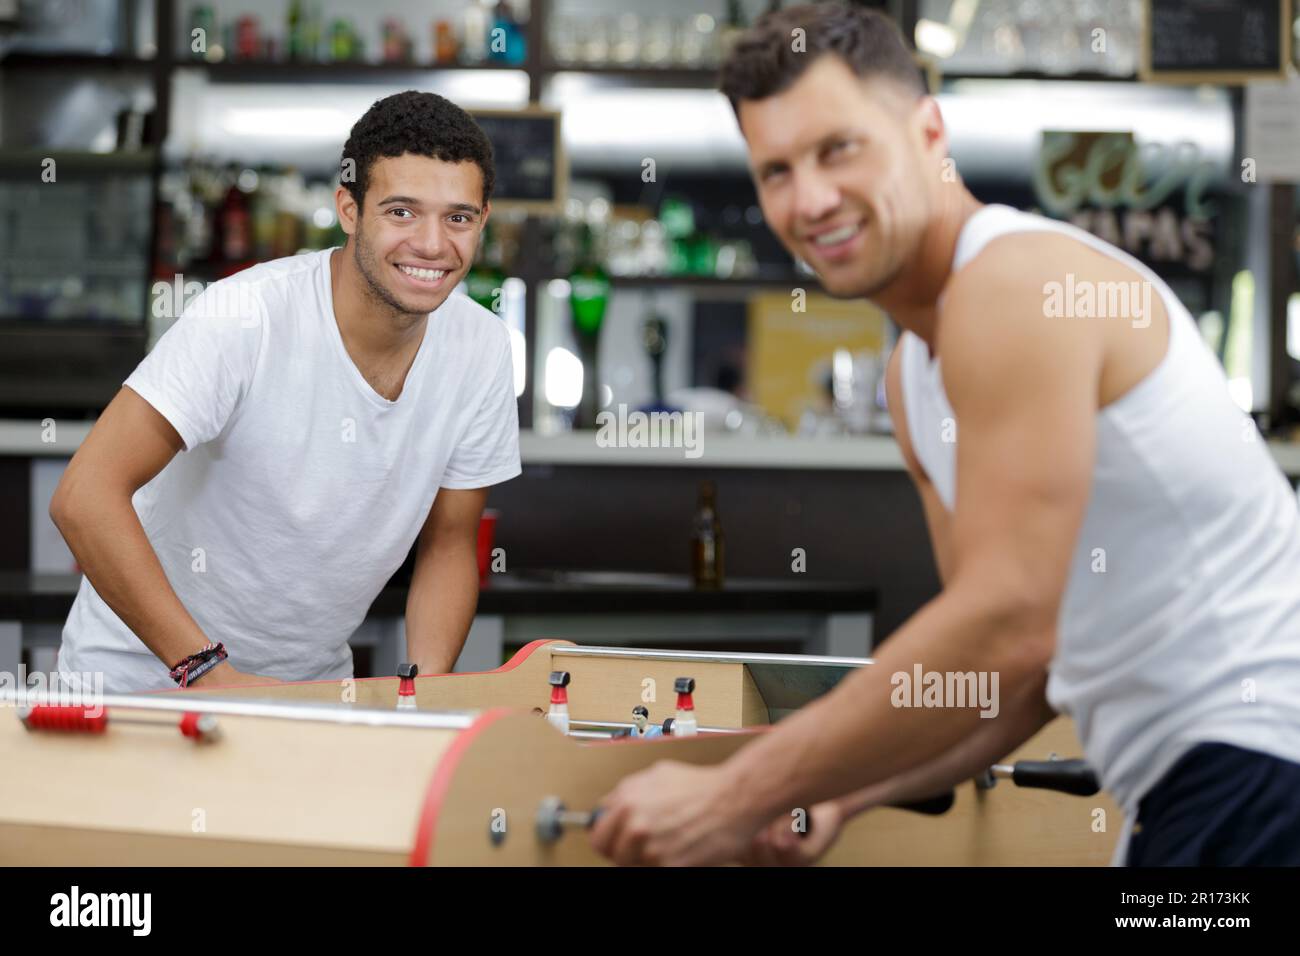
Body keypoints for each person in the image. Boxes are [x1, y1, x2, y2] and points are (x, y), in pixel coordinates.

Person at [590, 3, 1300, 866]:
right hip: (1203, 788)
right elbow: (1009, 678)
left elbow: (1003, 622)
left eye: (838, 149)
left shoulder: (1012, 284)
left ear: (929, 131)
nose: (809, 199)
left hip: (1261, 775)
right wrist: (839, 794)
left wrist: (732, 792)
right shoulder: (914, 377)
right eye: (775, 170)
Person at [52, 91, 520, 692]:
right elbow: (84, 497)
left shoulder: (482, 350)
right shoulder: (247, 315)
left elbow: (450, 544)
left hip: (310, 692)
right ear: (349, 210)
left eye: (457, 217)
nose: (432, 244)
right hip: (139, 682)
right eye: (402, 212)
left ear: (481, 221)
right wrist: (208, 672)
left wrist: (420, 695)